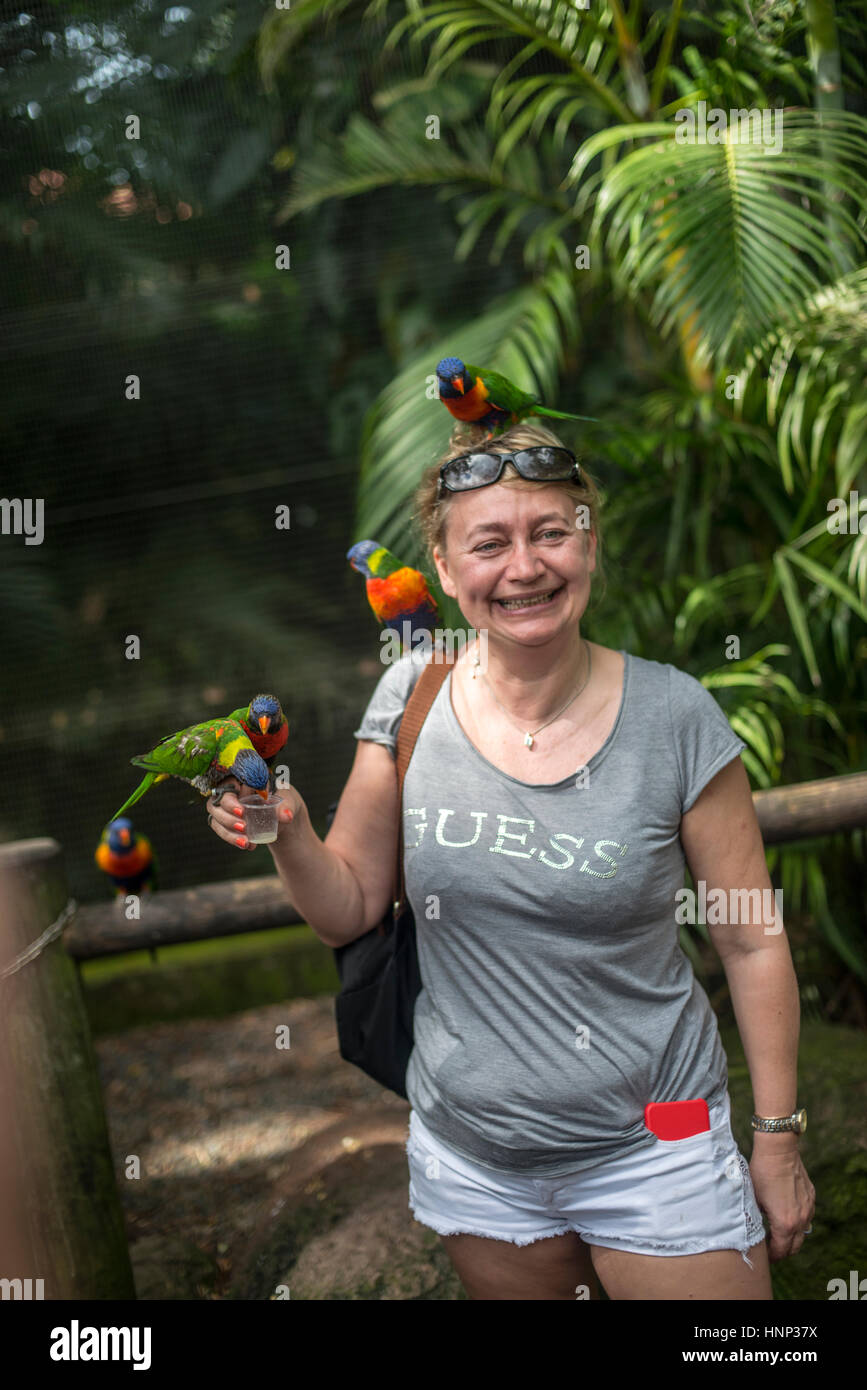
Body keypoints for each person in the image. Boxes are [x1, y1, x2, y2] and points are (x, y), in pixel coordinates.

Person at [206, 418, 815, 1301]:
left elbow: (752, 942)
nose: (524, 567)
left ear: (588, 545)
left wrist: (777, 1138)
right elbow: (349, 908)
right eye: (488, 544)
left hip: (661, 1140)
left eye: (550, 534)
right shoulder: (410, 696)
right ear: (445, 572)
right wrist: (290, 832)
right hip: (477, 1160)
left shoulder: (675, 718)